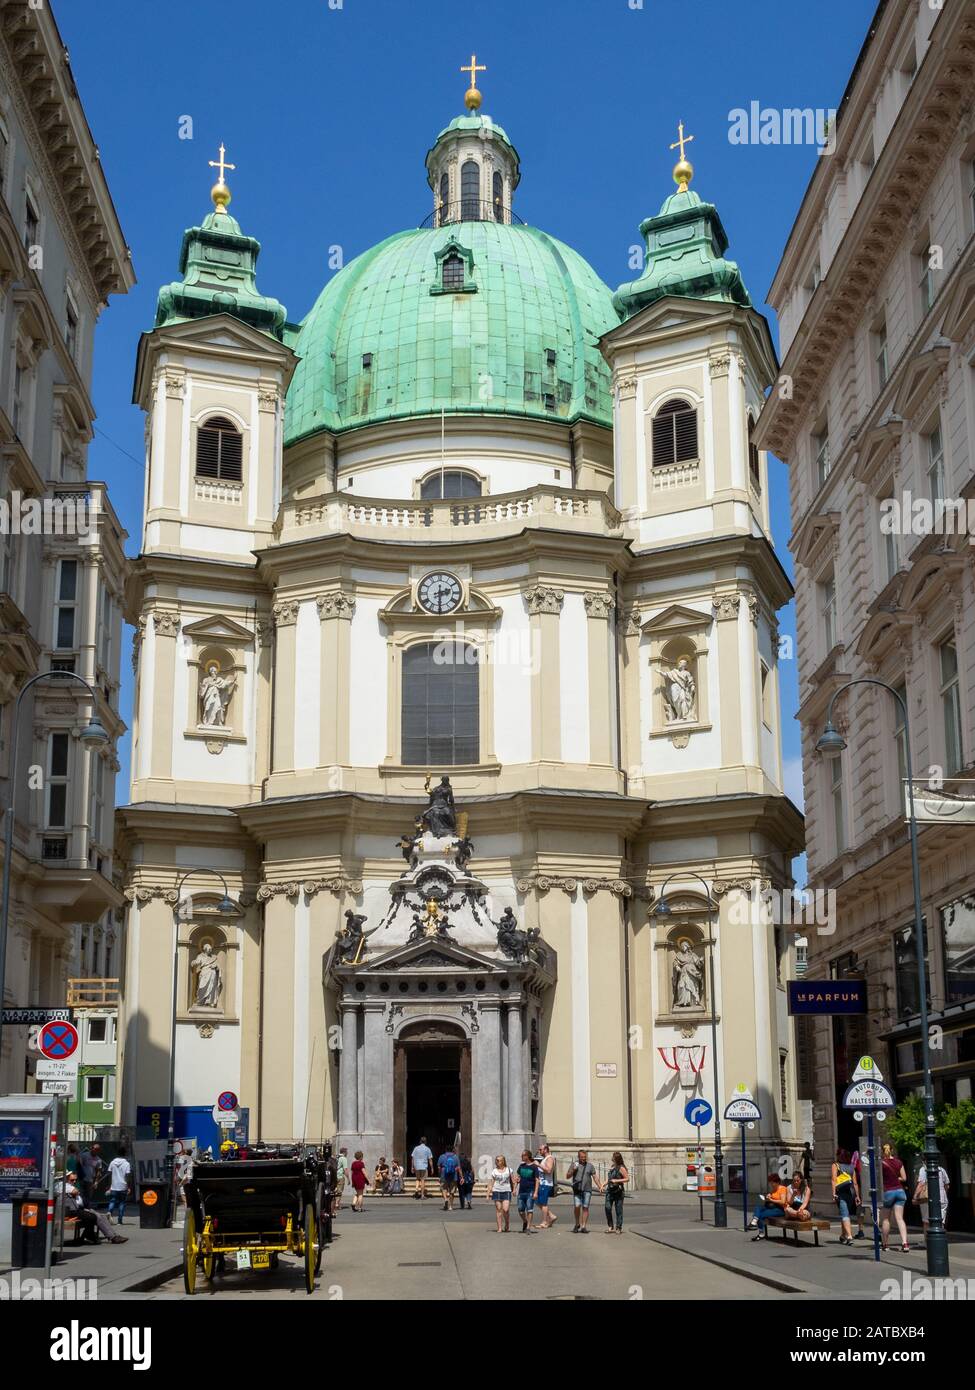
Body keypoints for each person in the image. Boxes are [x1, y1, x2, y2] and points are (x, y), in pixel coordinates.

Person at [59, 1178, 127, 1245]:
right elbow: (75, 1191)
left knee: (101, 1216)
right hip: (73, 1210)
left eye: (75, 1180)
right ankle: (111, 1237)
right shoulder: (63, 1185)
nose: (74, 1181)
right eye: (72, 1180)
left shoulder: (69, 1186)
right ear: (66, 1179)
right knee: (94, 1217)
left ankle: (114, 1235)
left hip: (79, 1208)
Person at [880, 1144, 910, 1252]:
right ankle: (905, 1243)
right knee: (900, 1219)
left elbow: (878, 1179)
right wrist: (897, 1177)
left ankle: (885, 1244)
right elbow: (904, 1178)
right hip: (900, 1192)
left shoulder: (881, 1163)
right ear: (892, 1150)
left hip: (888, 1192)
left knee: (886, 1219)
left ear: (882, 1151)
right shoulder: (899, 1162)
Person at [566, 1149, 602, 1233]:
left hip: (587, 1190)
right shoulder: (574, 1164)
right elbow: (567, 1176)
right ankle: (577, 1223)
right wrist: (573, 1170)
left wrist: (600, 1186)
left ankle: (583, 1226)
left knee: (585, 1207)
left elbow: (595, 1177)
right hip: (577, 1189)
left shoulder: (590, 1166)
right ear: (578, 1157)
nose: (583, 1159)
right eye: (582, 1157)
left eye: (585, 1157)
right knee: (577, 1206)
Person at [913, 1159, 950, 1238]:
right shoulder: (942, 1170)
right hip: (942, 1199)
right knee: (941, 1222)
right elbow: (947, 1185)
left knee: (926, 1222)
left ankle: (927, 1242)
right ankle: (940, 1239)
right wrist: (943, 1194)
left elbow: (921, 1184)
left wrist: (915, 1197)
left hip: (927, 1199)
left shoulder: (923, 1169)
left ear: (924, 1161)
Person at [748, 1171, 790, 1239]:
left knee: (761, 1215)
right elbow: (771, 1198)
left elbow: (783, 1201)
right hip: (772, 1207)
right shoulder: (773, 1190)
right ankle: (754, 1222)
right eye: (770, 1182)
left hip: (780, 1209)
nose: (771, 1184)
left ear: (777, 1182)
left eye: (772, 1182)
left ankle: (761, 1233)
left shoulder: (782, 1189)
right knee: (758, 1208)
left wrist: (771, 1200)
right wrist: (767, 1198)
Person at [831, 1148, 860, 1245]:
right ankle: (843, 1235)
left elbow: (833, 1180)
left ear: (839, 1156)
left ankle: (849, 1236)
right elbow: (855, 1183)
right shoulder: (852, 1167)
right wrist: (857, 1196)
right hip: (851, 1193)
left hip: (841, 1193)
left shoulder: (835, 1165)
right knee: (845, 1213)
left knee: (845, 1214)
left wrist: (833, 1193)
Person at [604, 1152, 628, 1234]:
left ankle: (618, 1227)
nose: (612, 1158)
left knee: (618, 1210)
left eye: (613, 1157)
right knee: (607, 1207)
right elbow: (610, 1179)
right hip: (610, 1191)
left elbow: (627, 1179)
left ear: (616, 1158)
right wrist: (603, 1184)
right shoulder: (612, 1166)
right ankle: (610, 1226)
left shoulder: (621, 1168)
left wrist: (616, 1180)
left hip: (618, 1191)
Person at [534, 1144, 557, 1229]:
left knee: (543, 1203)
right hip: (542, 1183)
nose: (539, 1151)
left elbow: (549, 1170)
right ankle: (551, 1216)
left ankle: (544, 1222)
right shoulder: (545, 1159)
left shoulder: (550, 1158)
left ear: (546, 1150)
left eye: (540, 1149)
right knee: (537, 1201)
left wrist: (538, 1165)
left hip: (546, 1184)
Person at [515, 1150, 539, 1232]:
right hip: (521, 1191)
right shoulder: (521, 1166)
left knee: (529, 1209)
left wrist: (536, 1192)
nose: (521, 1157)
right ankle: (525, 1221)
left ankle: (528, 1227)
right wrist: (514, 1189)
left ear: (527, 1156)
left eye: (523, 1155)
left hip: (530, 1191)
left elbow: (537, 1180)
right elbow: (517, 1178)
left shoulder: (534, 1167)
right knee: (520, 1210)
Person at [107, 1148, 132, 1225]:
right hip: (123, 1186)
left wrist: (109, 1185)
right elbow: (128, 1175)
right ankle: (119, 1220)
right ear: (124, 1154)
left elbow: (109, 1174)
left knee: (112, 1201)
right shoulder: (126, 1164)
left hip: (114, 1185)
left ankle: (109, 1212)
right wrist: (129, 1186)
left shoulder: (112, 1162)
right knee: (122, 1203)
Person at [488, 1155, 513, 1232]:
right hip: (497, 1191)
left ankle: (507, 1224)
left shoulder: (509, 1170)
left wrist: (514, 1189)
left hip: (506, 1191)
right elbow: (491, 1182)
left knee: (505, 1209)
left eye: (499, 1160)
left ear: (503, 1161)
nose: (498, 1162)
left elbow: (513, 1180)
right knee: (499, 1209)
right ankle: (499, 1228)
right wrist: (488, 1193)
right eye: (497, 1160)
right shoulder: (494, 1171)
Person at [77, 1143, 103, 1209]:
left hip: (91, 1180)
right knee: (81, 1193)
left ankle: (87, 1208)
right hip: (82, 1178)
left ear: (98, 1151)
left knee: (89, 1195)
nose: (94, 1150)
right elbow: (79, 1165)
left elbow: (98, 1171)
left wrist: (96, 1182)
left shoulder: (98, 1160)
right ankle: (80, 1207)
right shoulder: (84, 1155)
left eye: (96, 1149)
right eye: (93, 1148)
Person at [334, 1147, 349, 1214]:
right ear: (344, 1152)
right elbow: (345, 1169)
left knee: (335, 1190)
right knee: (339, 1191)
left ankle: (334, 1203)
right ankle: (337, 1204)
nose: (347, 1153)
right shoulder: (344, 1159)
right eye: (347, 1152)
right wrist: (348, 1178)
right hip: (340, 1176)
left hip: (334, 1176)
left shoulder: (336, 1157)